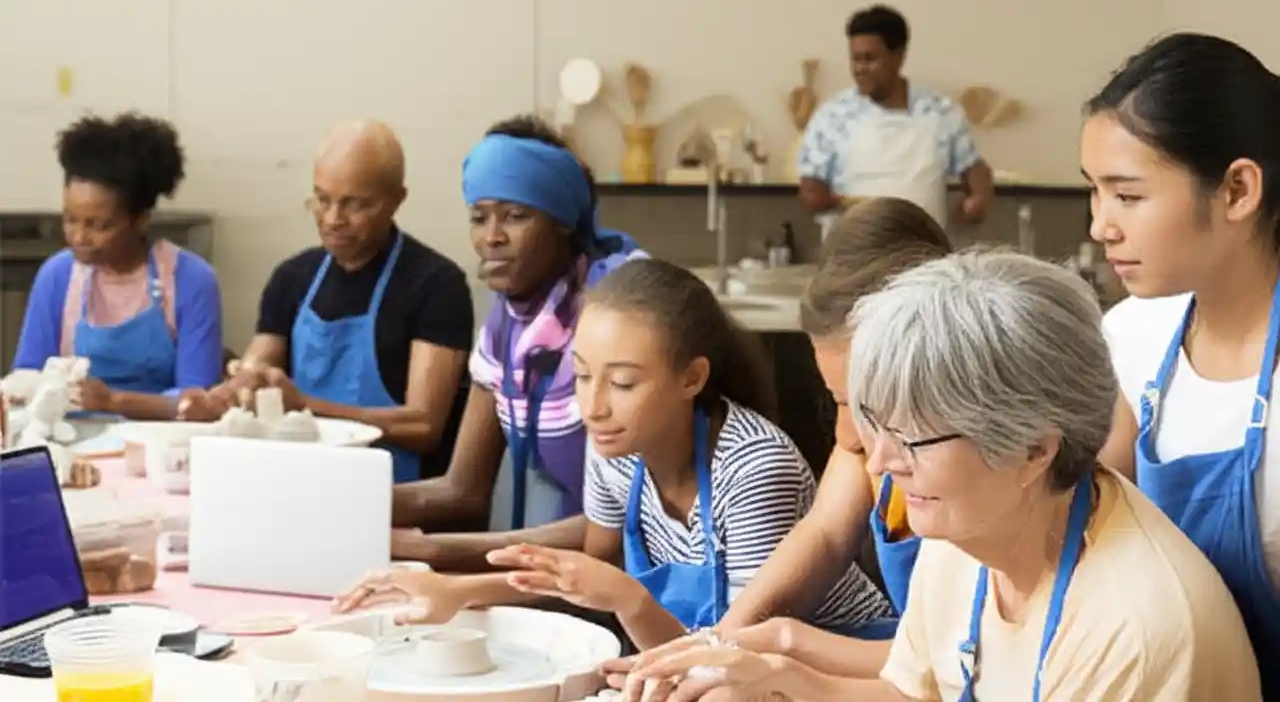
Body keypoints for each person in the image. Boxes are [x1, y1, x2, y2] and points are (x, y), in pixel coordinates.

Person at [616, 251, 1260, 701]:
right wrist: (784, 680)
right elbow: (915, 690)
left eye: (915, 438)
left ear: (1035, 450)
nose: (883, 462)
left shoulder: (1133, 629)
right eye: (876, 426)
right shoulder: (968, 532)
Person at [336, 258, 891, 650]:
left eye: (623, 383)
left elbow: (736, 654)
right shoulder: (615, 451)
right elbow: (592, 573)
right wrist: (454, 591)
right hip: (707, 666)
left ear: (692, 377)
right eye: (580, 376)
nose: (592, 407)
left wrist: (629, 600)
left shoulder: (752, 468)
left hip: (831, 669)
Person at [1087, 32, 1280, 699]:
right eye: (1095, 193)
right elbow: (1089, 522)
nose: (1100, 227)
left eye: (1128, 196)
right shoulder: (1131, 337)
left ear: (1236, 189)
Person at [699, 199, 951, 667]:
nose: (847, 433)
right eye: (836, 399)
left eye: (861, 405)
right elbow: (826, 535)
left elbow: (960, 661)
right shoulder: (865, 442)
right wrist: (719, 642)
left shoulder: (982, 466)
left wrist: (785, 645)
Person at [390, 115, 644, 564]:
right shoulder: (505, 327)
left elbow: (625, 522)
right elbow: (462, 489)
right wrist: (337, 504)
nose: (492, 237)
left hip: (631, 579)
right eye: (479, 217)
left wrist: (436, 549)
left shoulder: (616, 316)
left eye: (516, 215)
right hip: (563, 570)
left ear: (563, 222)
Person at [180, 120, 473, 483]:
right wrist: (228, 393)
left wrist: (305, 407)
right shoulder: (293, 278)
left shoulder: (436, 285)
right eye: (322, 199)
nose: (334, 219)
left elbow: (424, 425)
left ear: (397, 200)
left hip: (392, 496)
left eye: (355, 204)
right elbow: (258, 367)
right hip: (300, 479)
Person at [12, 113, 221, 420]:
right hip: (72, 442)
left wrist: (114, 401)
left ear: (140, 219)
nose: (79, 237)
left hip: (161, 443)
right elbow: (27, 375)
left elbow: (199, 401)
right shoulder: (58, 277)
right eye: (70, 219)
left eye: (99, 225)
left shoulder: (190, 280)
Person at [797, 4, 993, 236]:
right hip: (854, 254)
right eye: (855, 59)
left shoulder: (939, 111)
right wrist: (824, 199)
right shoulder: (832, 116)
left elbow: (974, 168)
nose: (860, 69)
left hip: (924, 251)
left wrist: (978, 197)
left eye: (869, 59)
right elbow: (812, 186)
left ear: (898, 56)